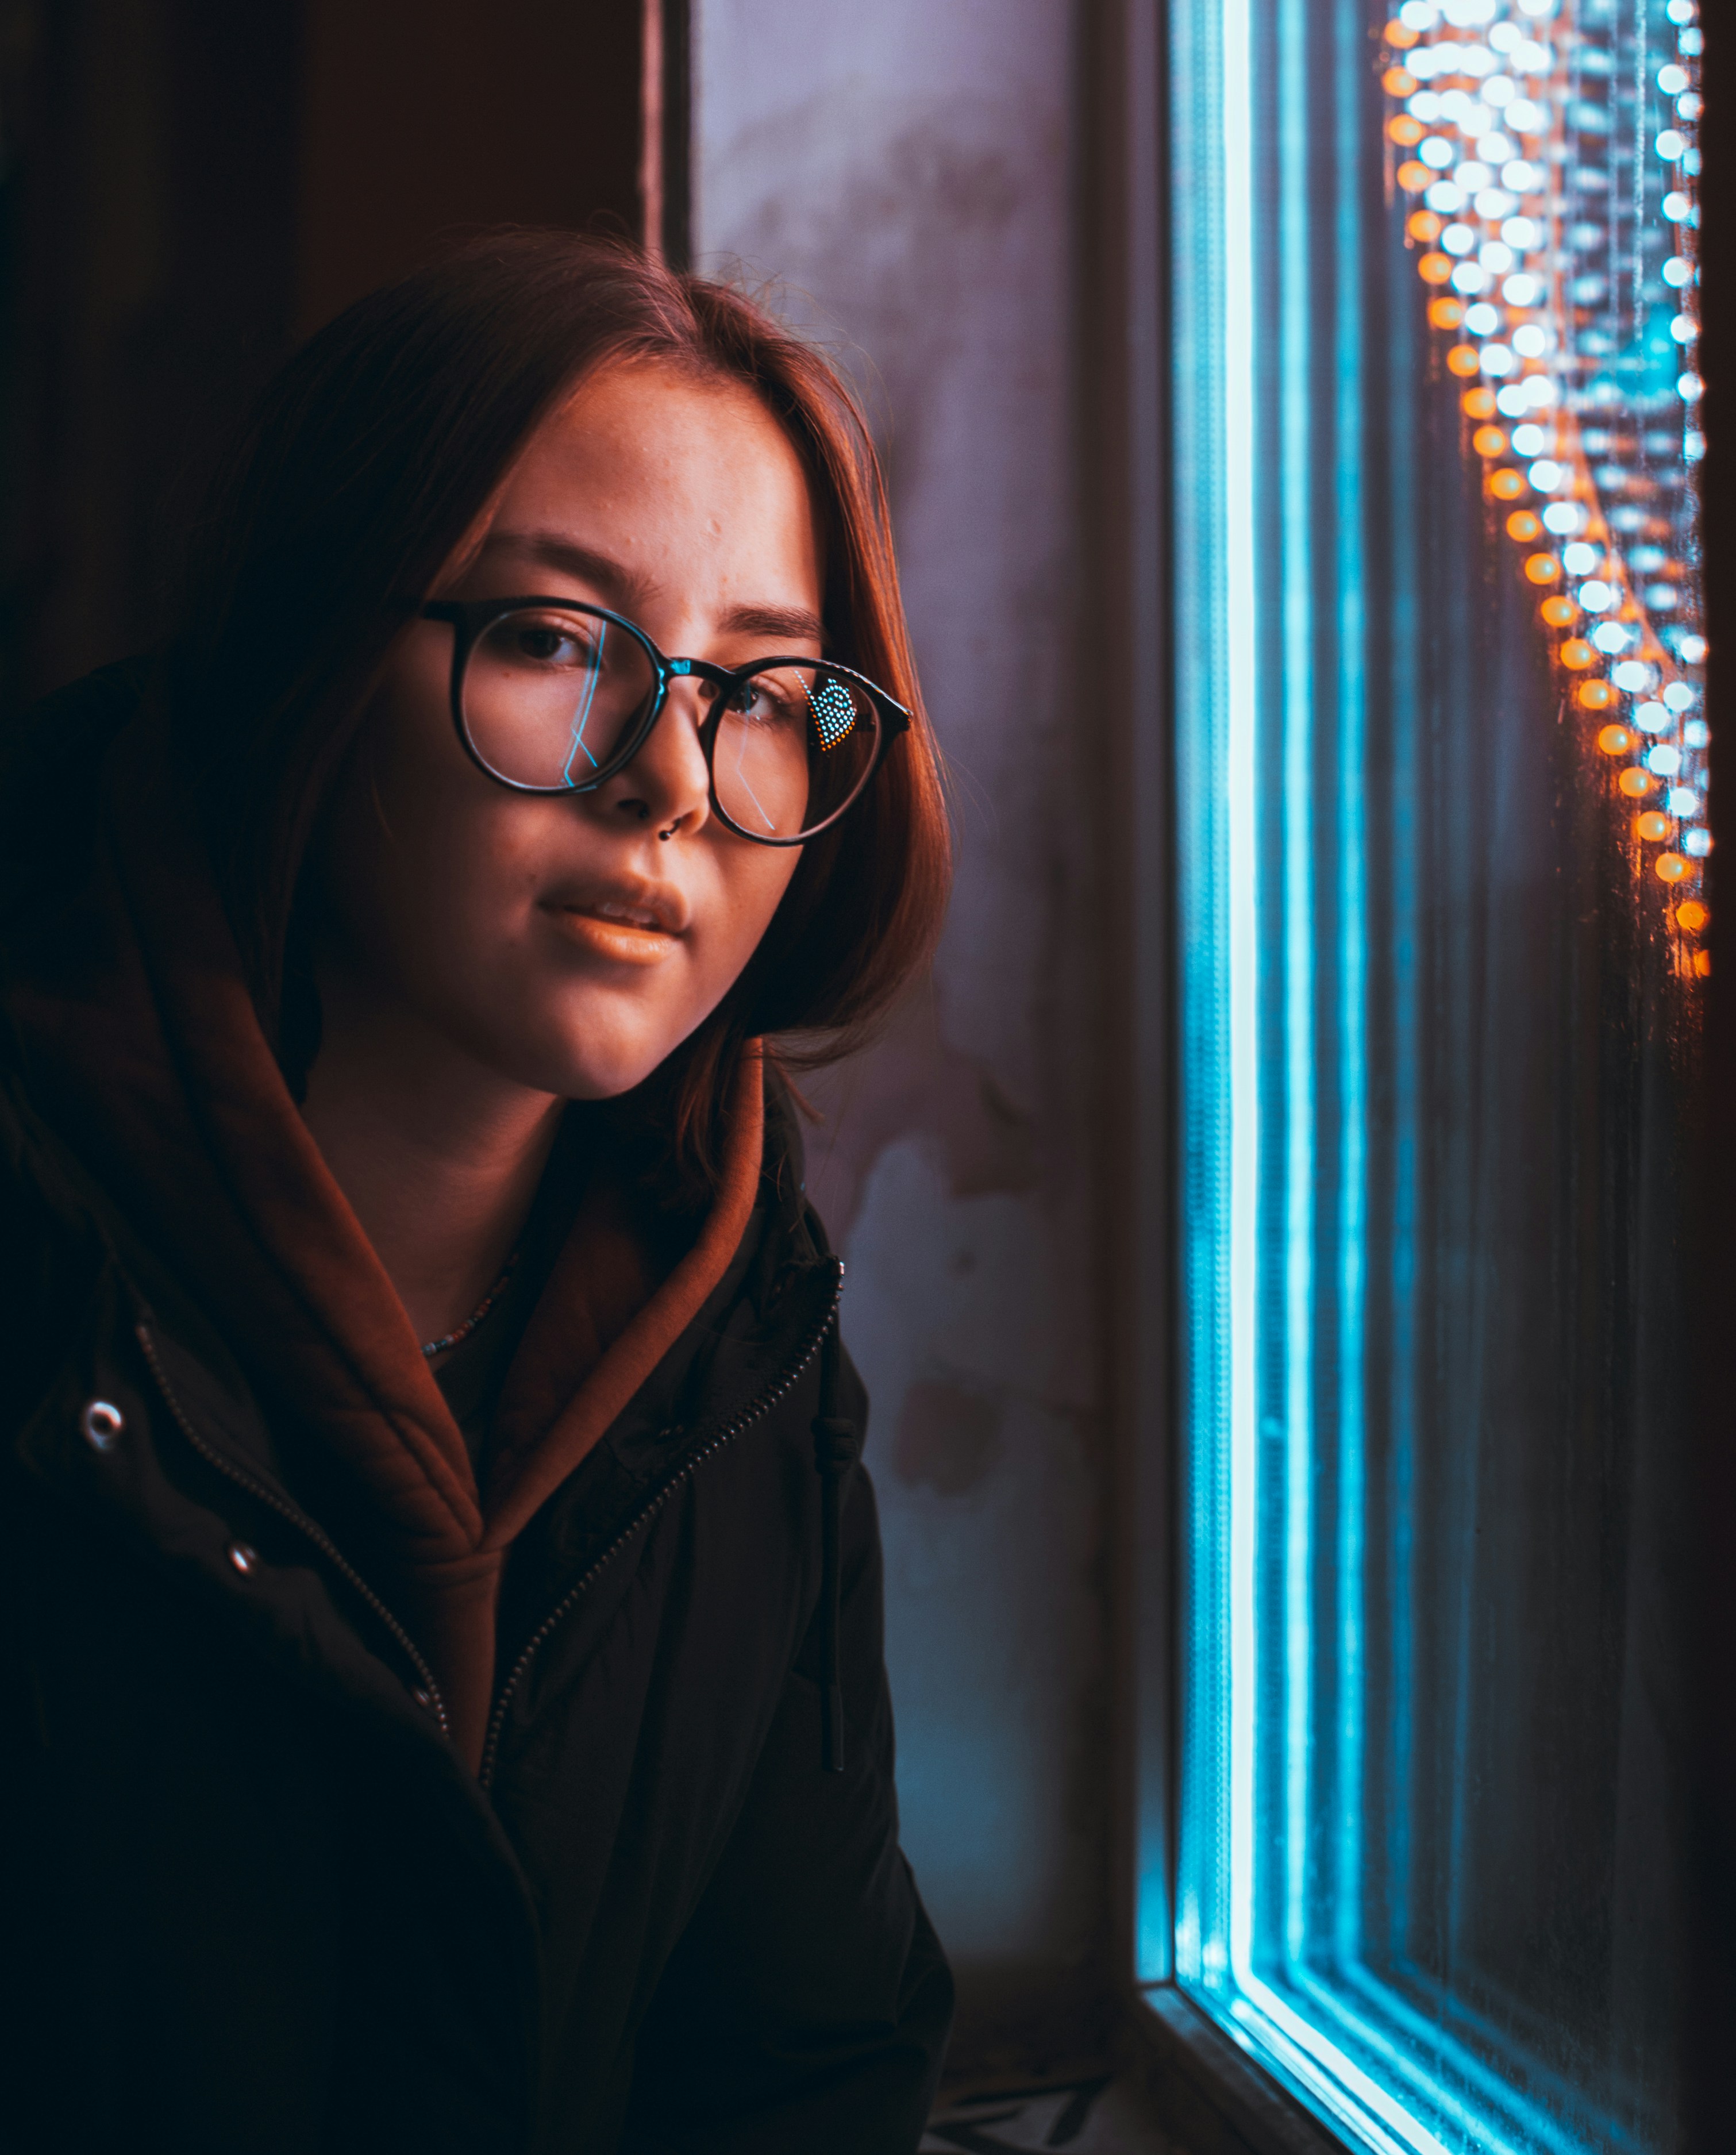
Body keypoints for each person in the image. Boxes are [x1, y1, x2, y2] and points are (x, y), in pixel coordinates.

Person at [0, 232, 954, 2153]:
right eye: (553, 641)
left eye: (768, 691)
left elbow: (799, 2067)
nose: (671, 778)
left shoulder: (748, 1341)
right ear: (310, 654)